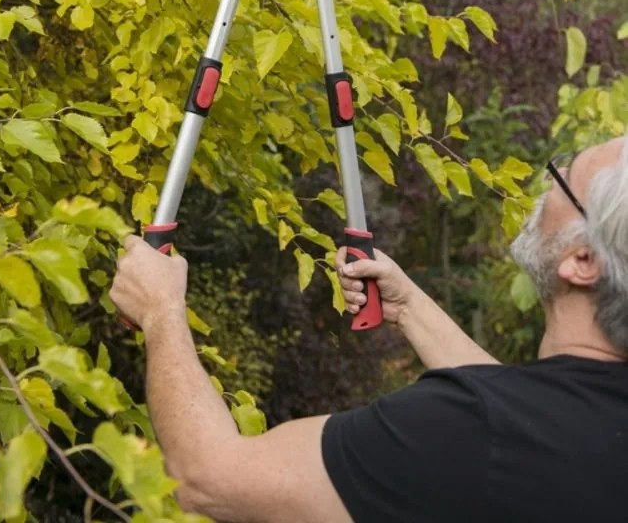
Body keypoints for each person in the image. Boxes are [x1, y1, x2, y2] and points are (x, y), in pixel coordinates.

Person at [110, 135, 628, 522]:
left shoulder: (467, 430)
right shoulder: (570, 429)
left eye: (564, 176)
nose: (549, 179)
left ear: (583, 260)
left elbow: (207, 477)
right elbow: (532, 426)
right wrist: (409, 307)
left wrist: (161, 311)